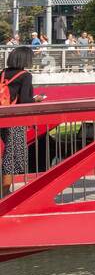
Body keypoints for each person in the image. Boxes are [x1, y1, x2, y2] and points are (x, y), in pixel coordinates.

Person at [1, 46, 44, 196]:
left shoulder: (3, 73)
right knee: (12, 155)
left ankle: (5, 190)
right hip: (15, 119)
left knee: (10, 153)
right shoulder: (25, 75)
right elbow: (25, 100)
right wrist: (36, 100)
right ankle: (4, 193)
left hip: (2, 118)